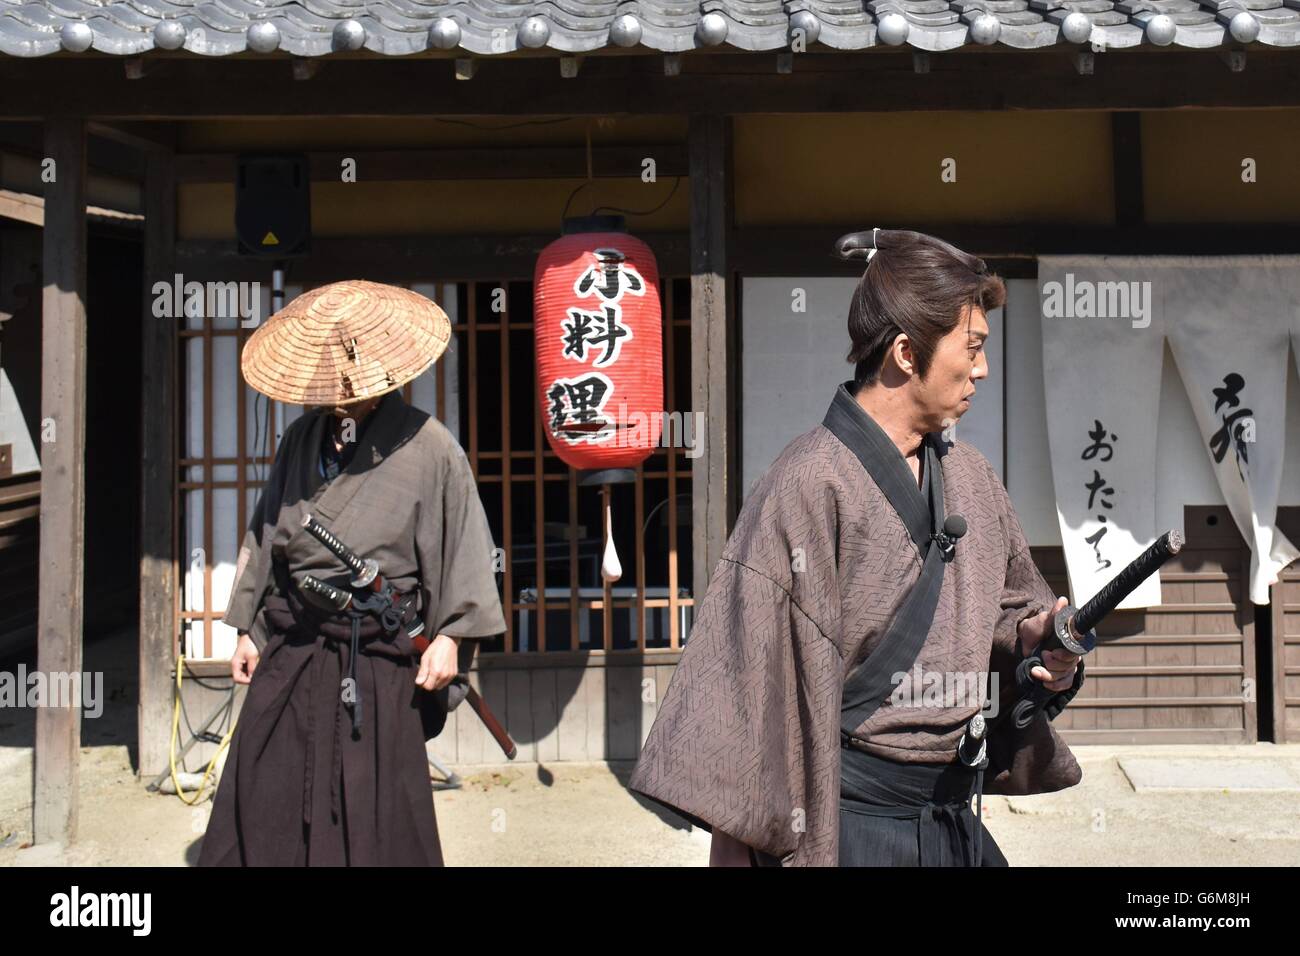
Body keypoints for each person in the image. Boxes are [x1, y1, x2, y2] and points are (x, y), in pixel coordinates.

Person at [629, 228, 1086, 867]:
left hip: (952, 814)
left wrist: (1041, 640)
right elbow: (748, 693)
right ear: (906, 352)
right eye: (972, 346)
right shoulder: (808, 483)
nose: (983, 367)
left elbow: (1016, 614)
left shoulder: (971, 477)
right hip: (849, 828)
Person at [197, 280, 506, 866]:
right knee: (264, 782)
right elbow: (266, 534)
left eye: (353, 368)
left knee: (377, 803)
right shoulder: (299, 439)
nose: (343, 384)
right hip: (297, 640)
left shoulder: (430, 446)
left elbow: (466, 543)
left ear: (385, 368)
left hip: (378, 649)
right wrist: (247, 629)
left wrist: (450, 637)